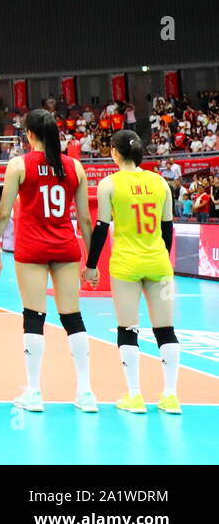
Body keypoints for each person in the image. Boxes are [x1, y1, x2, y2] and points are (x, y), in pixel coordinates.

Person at [0, 110, 97, 413]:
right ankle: (87, 393)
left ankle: (34, 391)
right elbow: (86, 221)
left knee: (33, 316)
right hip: (65, 247)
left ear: (29, 134)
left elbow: (2, 213)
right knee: (72, 317)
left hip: (32, 248)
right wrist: (91, 263)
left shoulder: (18, 165)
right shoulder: (74, 166)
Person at [85, 130, 182, 415]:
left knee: (128, 328)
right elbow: (167, 229)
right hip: (158, 263)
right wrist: (160, 256)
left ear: (115, 152)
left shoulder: (109, 184)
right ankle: (171, 396)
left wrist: (91, 266)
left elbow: (102, 228)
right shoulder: (160, 182)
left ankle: (135, 396)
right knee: (166, 330)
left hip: (126, 264)